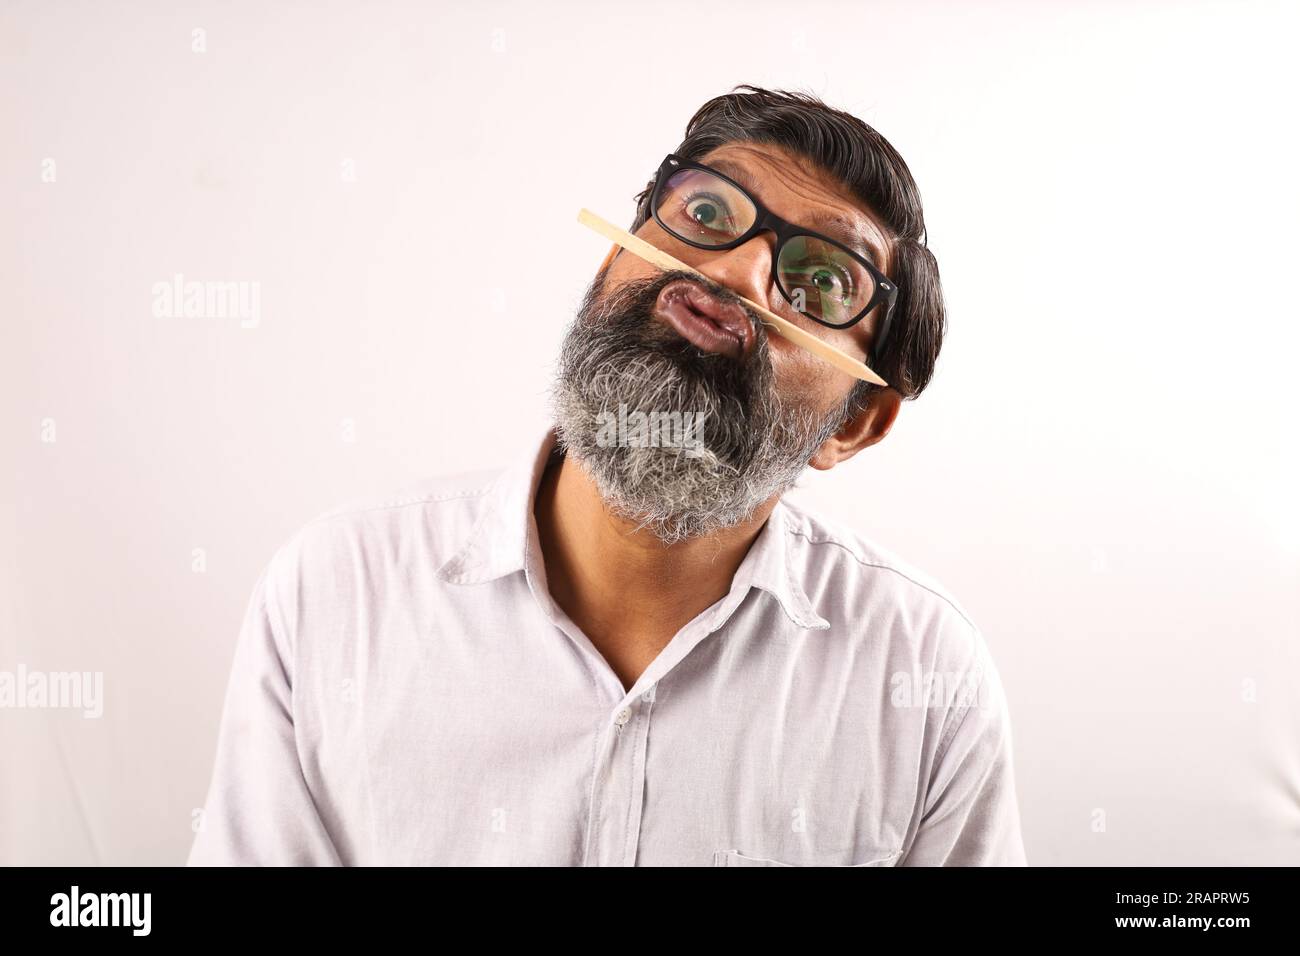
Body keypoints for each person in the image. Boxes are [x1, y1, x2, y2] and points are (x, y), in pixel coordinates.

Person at [187, 84, 1027, 866]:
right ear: (607, 270)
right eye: (705, 212)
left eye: (820, 283)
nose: (735, 274)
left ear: (854, 423)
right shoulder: (337, 590)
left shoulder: (922, 676)